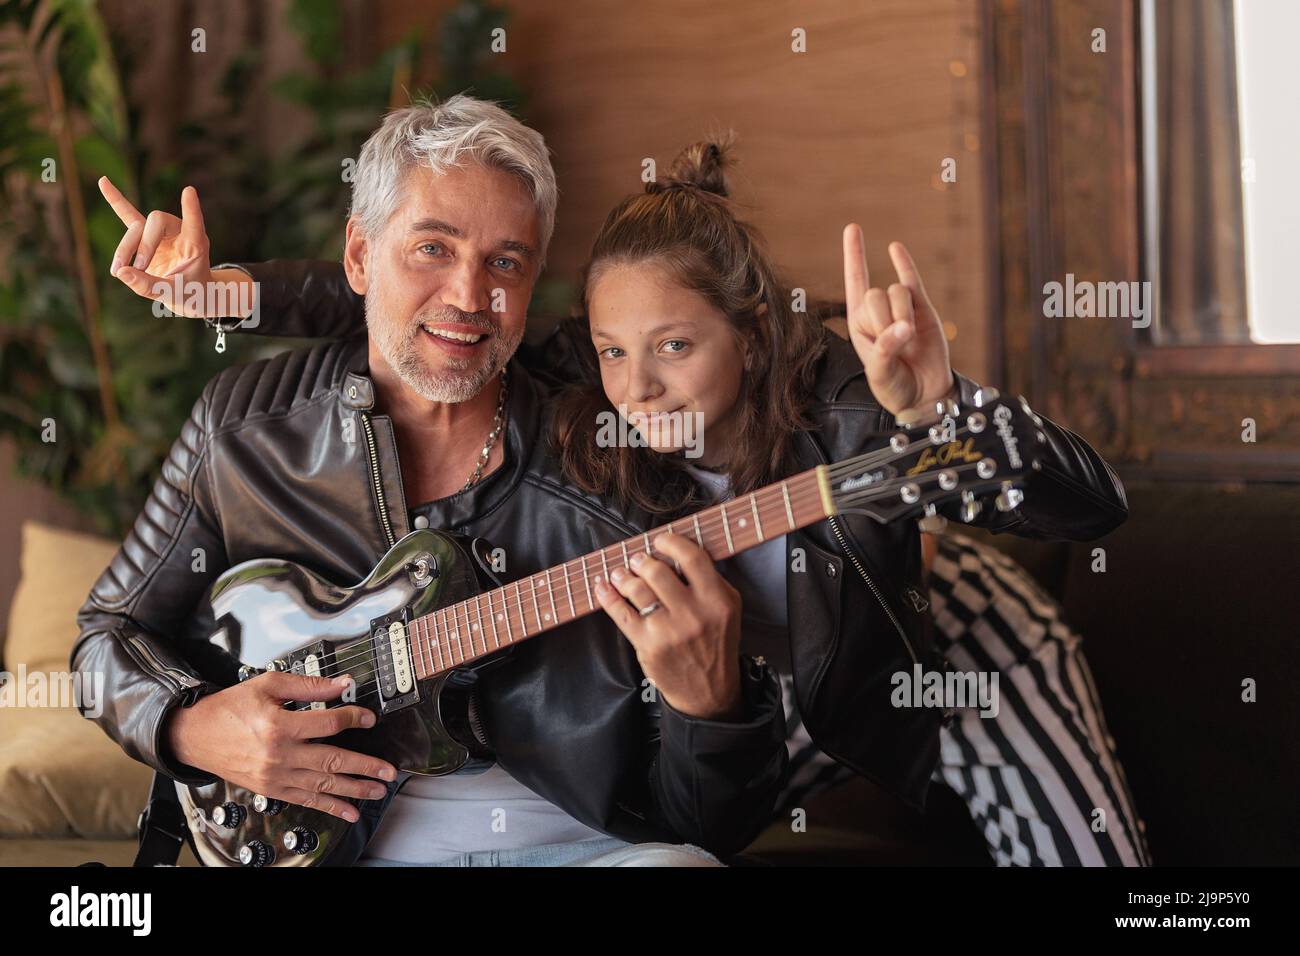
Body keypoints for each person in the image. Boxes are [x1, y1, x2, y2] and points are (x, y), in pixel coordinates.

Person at [102, 115, 1141, 865]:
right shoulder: (567, 368)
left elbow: (1087, 503)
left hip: (910, 637)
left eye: (676, 346)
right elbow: (413, 297)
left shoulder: (818, 396)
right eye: (612, 351)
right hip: (754, 687)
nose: (637, 385)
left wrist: (937, 407)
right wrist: (224, 291)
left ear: (752, 330)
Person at [75, 96, 792, 868]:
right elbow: (105, 640)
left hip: (588, 849)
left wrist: (711, 708)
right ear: (358, 256)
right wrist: (190, 724)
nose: (467, 295)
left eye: (506, 262)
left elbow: (713, 821)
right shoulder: (243, 429)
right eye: (432, 249)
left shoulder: (613, 435)